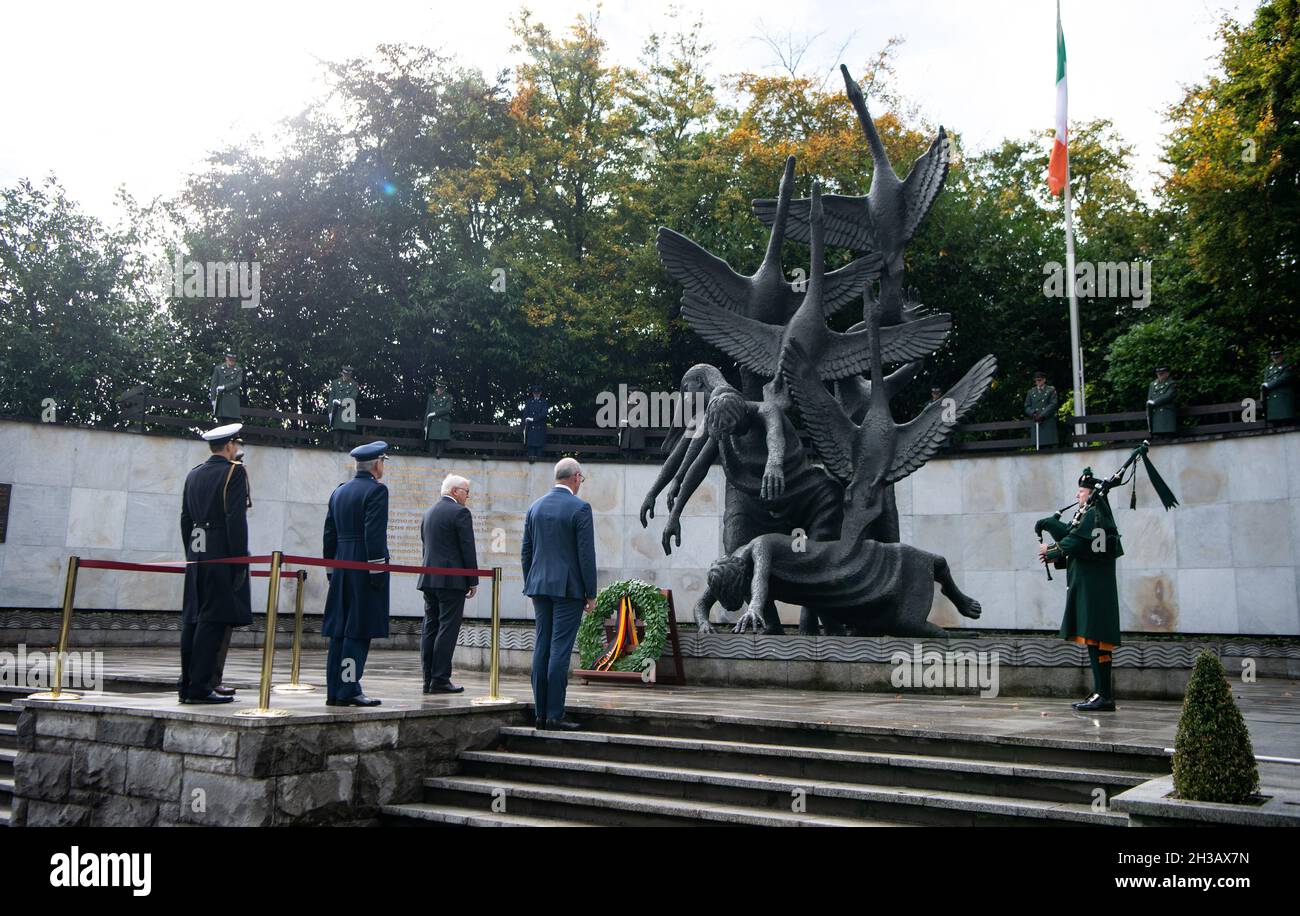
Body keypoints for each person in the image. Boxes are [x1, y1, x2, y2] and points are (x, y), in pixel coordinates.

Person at [1035, 467, 1124, 712]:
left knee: (1098, 641)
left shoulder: (1096, 514)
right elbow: (1076, 541)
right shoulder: (1093, 515)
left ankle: (1104, 695)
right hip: (1089, 587)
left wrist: (1051, 551)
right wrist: (1053, 527)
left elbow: (1076, 542)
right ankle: (1100, 693)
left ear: (1092, 493)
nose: (1077, 495)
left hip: (1095, 589)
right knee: (1094, 641)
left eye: (1081, 491)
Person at [178, 423, 252, 704]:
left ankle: (187, 682)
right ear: (230, 445)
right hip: (220, 549)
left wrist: (191, 552)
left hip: (197, 551)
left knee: (193, 618)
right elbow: (235, 520)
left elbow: (185, 518)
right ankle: (200, 686)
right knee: (213, 619)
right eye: (236, 444)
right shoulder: (234, 471)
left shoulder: (194, 473)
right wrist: (239, 560)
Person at [521, 457, 597, 730]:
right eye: (581, 479)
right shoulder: (580, 508)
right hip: (568, 589)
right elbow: (586, 555)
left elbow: (526, 551)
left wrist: (531, 582)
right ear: (576, 477)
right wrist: (591, 593)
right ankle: (555, 714)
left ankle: (540, 714)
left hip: (539, 586)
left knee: (542, 646)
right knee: (559, 649)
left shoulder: (535, 507)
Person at [322, 441, 391, 707]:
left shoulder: (339, 492)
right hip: (363, 566)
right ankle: (349, 688)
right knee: (358, 631)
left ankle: (334, 689)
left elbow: (329, 535)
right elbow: (374, 535)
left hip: (341, 565)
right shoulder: (377, 491)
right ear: (376, 464)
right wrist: (376, 571)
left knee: (339, 630)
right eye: (383, 462)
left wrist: (331, 570)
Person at [416, 474, 478, 693]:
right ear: (455, 491)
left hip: (429, 578)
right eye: (466, 492)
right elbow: (467, 547)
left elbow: (426, 547)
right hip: (452, 581)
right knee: (447, 629)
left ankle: (427, 678)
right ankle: (440, 679)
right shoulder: (460, 512)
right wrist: (472, 579)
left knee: (430, 628)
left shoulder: (429, 511)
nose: (467, 497)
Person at [1024, 370, 1060, 448]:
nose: (1038, 382)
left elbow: (1053, 404)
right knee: (1038, 446)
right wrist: (1033, 413)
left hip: (1047, 421)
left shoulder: (1051, 390)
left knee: (1050, 446)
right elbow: (1027, 406)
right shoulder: (1031, 392)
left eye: (1039, 380)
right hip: (1036, 420)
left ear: (1044, 380)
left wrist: (1042, 415)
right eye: (1036, 380)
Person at [1262, 348, 1295, 423]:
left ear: (1282, 356)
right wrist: (1266, 385)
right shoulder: (1269, 368)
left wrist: (1268, 385)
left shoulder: (1287, 366)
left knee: (1287, 423)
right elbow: (1266, 380)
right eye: (1273, 357)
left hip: (1283, 401)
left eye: (1277, 357)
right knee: (1275, 425)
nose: (1275, 359)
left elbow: (1283, 379)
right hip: (1272, 402)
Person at [328, 366, 358, 449]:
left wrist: (341, 402)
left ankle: (344, 450)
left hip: (348, 411)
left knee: (346, 432)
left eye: (348, 375)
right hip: (336, 410)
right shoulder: (335, 383)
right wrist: (330, 411)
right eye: (345, 374)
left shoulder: (354, 384)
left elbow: (353, 397)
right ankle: (336, 449)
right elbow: (331, 397)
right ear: (342, 373)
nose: (347, 376)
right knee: (337, 431)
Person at [209, 351, 242, 422]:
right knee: (220, 424)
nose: (231, 361)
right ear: (226, 359)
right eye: (230, 359)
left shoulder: (238, 370)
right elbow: (214, 385)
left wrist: (225, 387)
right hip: (221, 400)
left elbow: (237, 382)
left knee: (232, 425)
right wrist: (213, 399)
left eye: (233, 360)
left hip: (232, 401)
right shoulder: (218, 369)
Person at [424, 380, 453, 458]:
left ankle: (439, 455)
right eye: (438, 387)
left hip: (443, 423)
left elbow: (447, 409)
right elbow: (428, 411)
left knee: (440, 449)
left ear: (444, 388)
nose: (439, 389)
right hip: (433, 423)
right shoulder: (431, 396)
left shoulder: (448, 397)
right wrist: (425, 424)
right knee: (431, 448)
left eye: (441, 388)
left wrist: (435, 413)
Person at [1146, 366, 1178, 435]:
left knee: (1168, 437)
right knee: (1157, 438)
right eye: (1158, 374)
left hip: (1166, 416)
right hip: (1156, 416)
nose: (1160, 376)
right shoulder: (1153, 384)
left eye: (1162, 374)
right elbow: (1150, 397)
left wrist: (1155, 402)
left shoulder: (1171, 384)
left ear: (1167, 374)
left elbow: (1168, 396)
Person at [523, 384, 548, 461]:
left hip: (540, 430)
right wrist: (526, 420)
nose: (536, 394)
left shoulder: (544, 402)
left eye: (538, 393)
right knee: (530, 454)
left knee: (540, 456)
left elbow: (544, 414)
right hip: (530, 431)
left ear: (540, 393)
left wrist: (533, 419)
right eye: (534, 393)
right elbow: (525, 414)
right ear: (533, 393)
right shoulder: (529, 402)